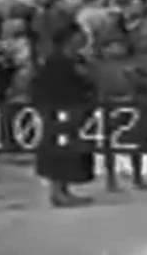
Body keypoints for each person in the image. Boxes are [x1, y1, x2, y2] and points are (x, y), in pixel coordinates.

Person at [32, 22, 96, 207]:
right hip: (58, 111)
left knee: (71, 152)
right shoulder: (55, 62)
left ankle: (65, 190)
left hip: (75, 110)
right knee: (59, 151)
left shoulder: (76, 59)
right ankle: (57, 192)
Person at [91, 33, 147, 192]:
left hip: (131, 104)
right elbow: (95, 87)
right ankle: (111, 179)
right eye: (111, 46)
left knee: (136, 143)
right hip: (109, 105)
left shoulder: (135, 64)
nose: (116, 49)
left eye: (119, 45)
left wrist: (136, 79)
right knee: (109, 144)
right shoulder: (98, 66)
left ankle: (137, 176)